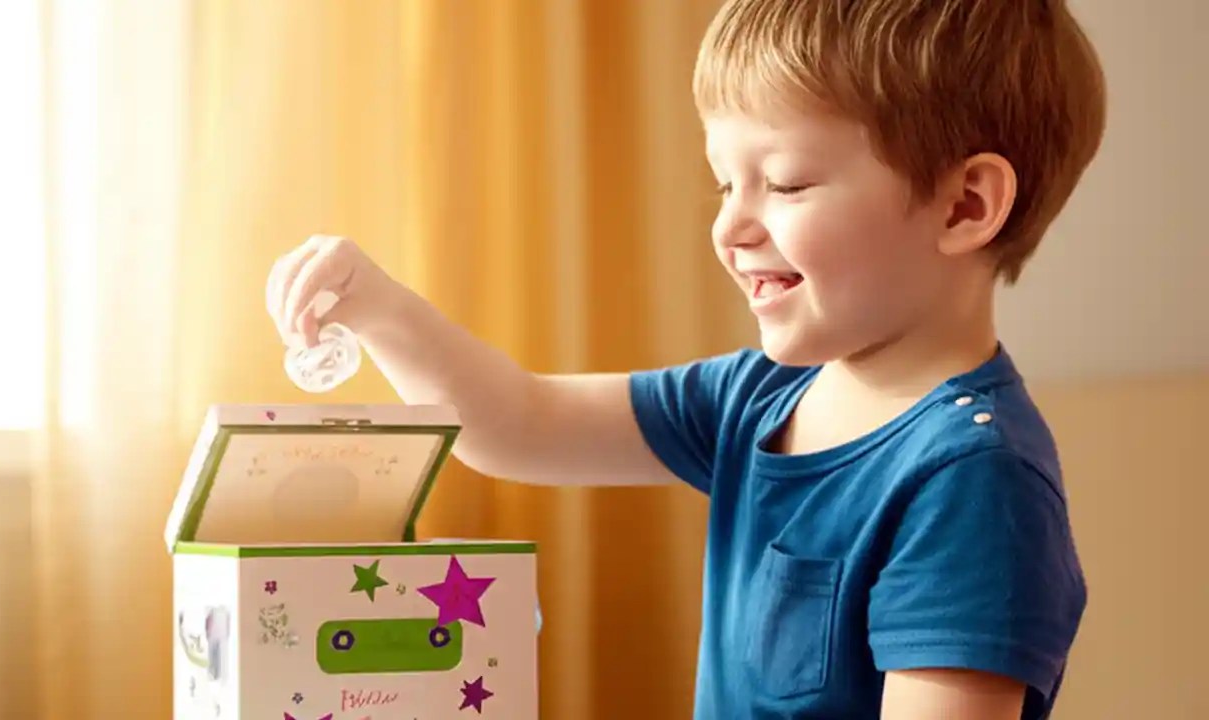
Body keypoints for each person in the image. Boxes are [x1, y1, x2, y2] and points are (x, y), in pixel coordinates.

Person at [265, 0, 1106, 716]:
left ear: (964, 205)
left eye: (784, 184)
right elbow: (516, 424)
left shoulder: (972, 483)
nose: (731, 229)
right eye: (722, 184)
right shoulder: (758, 399)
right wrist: (381, 308)